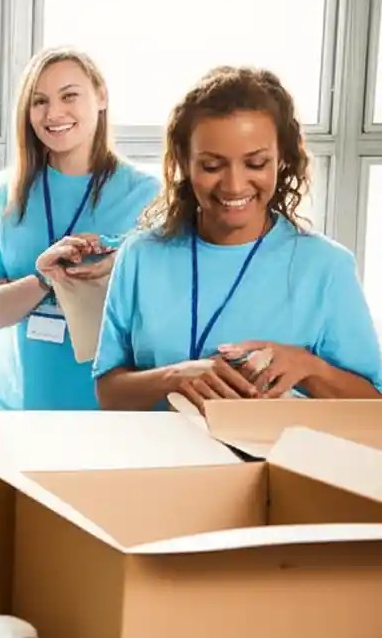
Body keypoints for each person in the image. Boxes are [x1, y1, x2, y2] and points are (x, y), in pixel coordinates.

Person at [94, 66, 382, 409]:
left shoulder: (326, 266)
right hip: (157, 460)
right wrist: (174, 377)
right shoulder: (140, 255)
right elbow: (109, 392)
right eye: (213, 166)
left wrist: (310, 369)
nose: (234, 185)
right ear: (185, 164)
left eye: (256, 163)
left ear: (282, 161)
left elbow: (374, 404)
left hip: (276, 462)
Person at [0, 47, 159, 411]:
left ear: (101, 95)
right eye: (39, 101)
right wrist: (43, 280)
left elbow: (159, 308)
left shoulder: (148, 197)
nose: (54, 113)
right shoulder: (2, 196)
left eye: (69, 96)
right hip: (19, 408)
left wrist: (119, 265)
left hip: (112, 411)